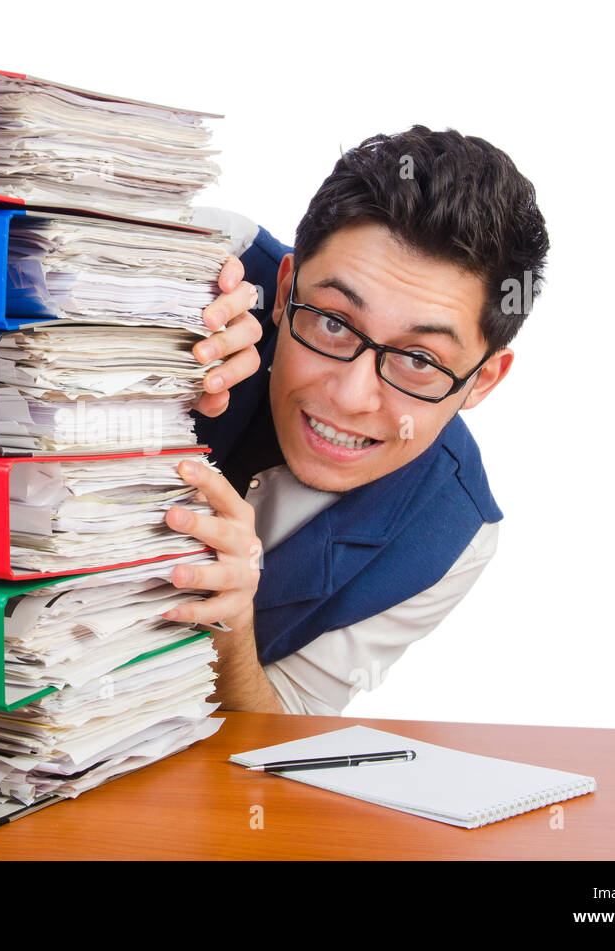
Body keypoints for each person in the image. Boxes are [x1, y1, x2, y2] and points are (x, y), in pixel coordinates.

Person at [170, 126, 550, 714]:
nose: (350, 397)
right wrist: (135, 349)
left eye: (420, 360)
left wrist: (230, 625)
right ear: (285, 287)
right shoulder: (193, 255)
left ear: (481, 380)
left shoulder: (451, 536)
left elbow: (285, 730)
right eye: (334, 323)